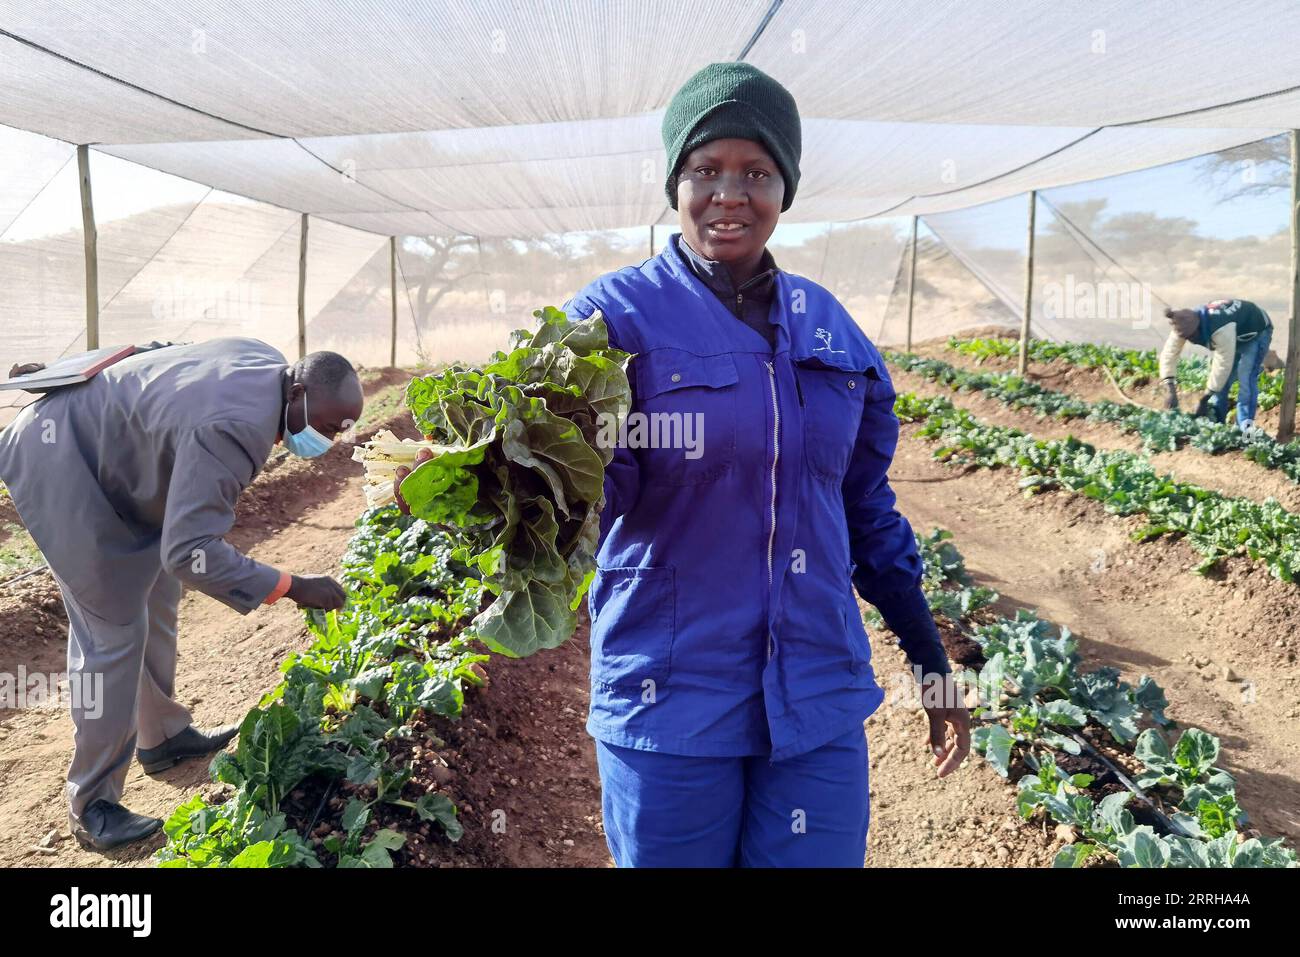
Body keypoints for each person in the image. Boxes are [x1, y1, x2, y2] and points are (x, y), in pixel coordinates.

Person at [396, 62, 968, 867]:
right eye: (705, 170)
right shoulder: (613, 319)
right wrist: (489, 475)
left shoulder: (830, 327)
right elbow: (582, 496)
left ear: (784, 189)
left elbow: (867, 512)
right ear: (676, 183)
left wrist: (932, 667)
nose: (729, 193)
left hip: (817, 700)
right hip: (669, 703)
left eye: (756, 172)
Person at [0, 338, 361, 850]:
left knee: (157, 594)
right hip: (60, 461)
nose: (327, 440)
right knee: (113, 630)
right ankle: (93, 803)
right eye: (326, 427)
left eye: (339, 432)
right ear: (299, 391)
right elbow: (193, 551)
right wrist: (293, 586)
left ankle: (163, 736)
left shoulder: (265, 361)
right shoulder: (237, 427)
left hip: (114, 457)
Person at [1159, 299, 1274, 434]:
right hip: (1235, 332)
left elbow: (1222, 365)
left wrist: (1204, 400)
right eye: (1188, 337)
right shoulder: (1181, 326)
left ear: (1198, 326)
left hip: (1256, 331)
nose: (1192, 340)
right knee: (1220, 385)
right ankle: (1217, 425)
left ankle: (1245, 431)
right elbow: (1169, 355)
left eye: (1193, 335)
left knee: (1246, 378)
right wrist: (1170, 389)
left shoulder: (1220, 328)